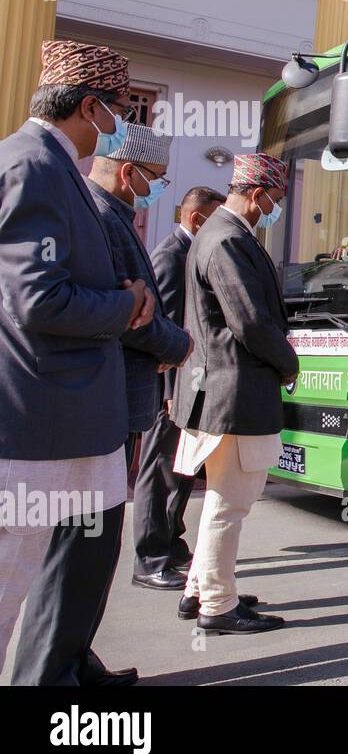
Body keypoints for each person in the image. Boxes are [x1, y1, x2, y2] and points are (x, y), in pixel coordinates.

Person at [12, 123, 192, 686]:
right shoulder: (100, 214)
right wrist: (177, 345)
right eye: (154, 180)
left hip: (108, 403)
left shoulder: (110, 214)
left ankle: (74, 659)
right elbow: (130, 314)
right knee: (78, 552)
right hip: (96, 405)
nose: (154, 190)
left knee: (91, 554)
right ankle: (52, 674)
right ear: (126, 168)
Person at [0, 40, 154, 684]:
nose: (118, 127)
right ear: (88, 106)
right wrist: (127, 308)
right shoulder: (34, 166)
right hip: (40, 424)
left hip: (64, 421)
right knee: (8, 590)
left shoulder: (49, 166)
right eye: (118, 110)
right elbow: (36, 298)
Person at [171, 153, 298, 633]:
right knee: (232, 502)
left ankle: (200, 588)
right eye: (276, 199)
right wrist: (289, 362)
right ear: (258, 192)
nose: (275, 208)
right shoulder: (226, 238)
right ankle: (218, 606)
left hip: (220, 389)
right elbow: (249, 321)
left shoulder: (223, 234)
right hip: (234, 392)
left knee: (221, 499)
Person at [132, 186, 227, 589]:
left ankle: (171, 545)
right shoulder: (171, 256)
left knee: (181, 470)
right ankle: (149, 560)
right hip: (169, 386)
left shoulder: (189, 252)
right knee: (158, 469)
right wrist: (173, 390)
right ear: (196, 219)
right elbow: (165, 328)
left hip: (189, 381)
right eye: (215, 219)